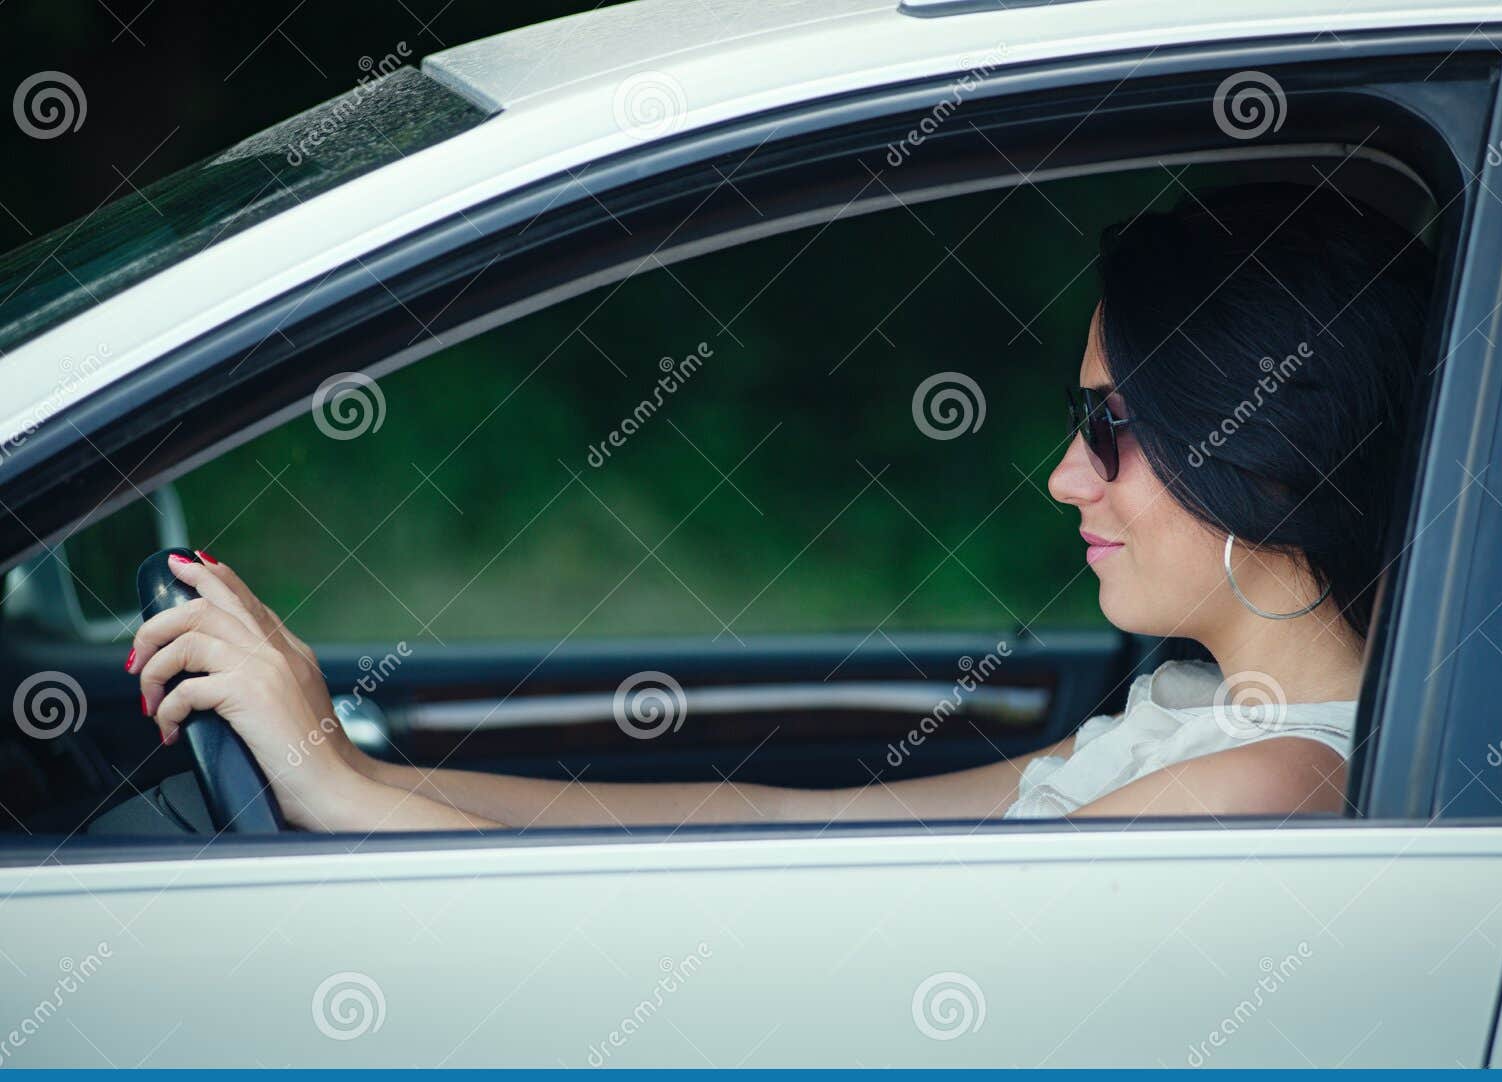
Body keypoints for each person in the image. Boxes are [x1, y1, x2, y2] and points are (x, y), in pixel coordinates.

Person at [124, 182, 1434, 832]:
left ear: (1261, 449)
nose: (1062, 477)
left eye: (1109, 428)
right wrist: (357, 773)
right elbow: (798, 827)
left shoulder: (1270, 782)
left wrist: (333, 790)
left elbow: (805, 948)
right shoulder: (1198, 718)